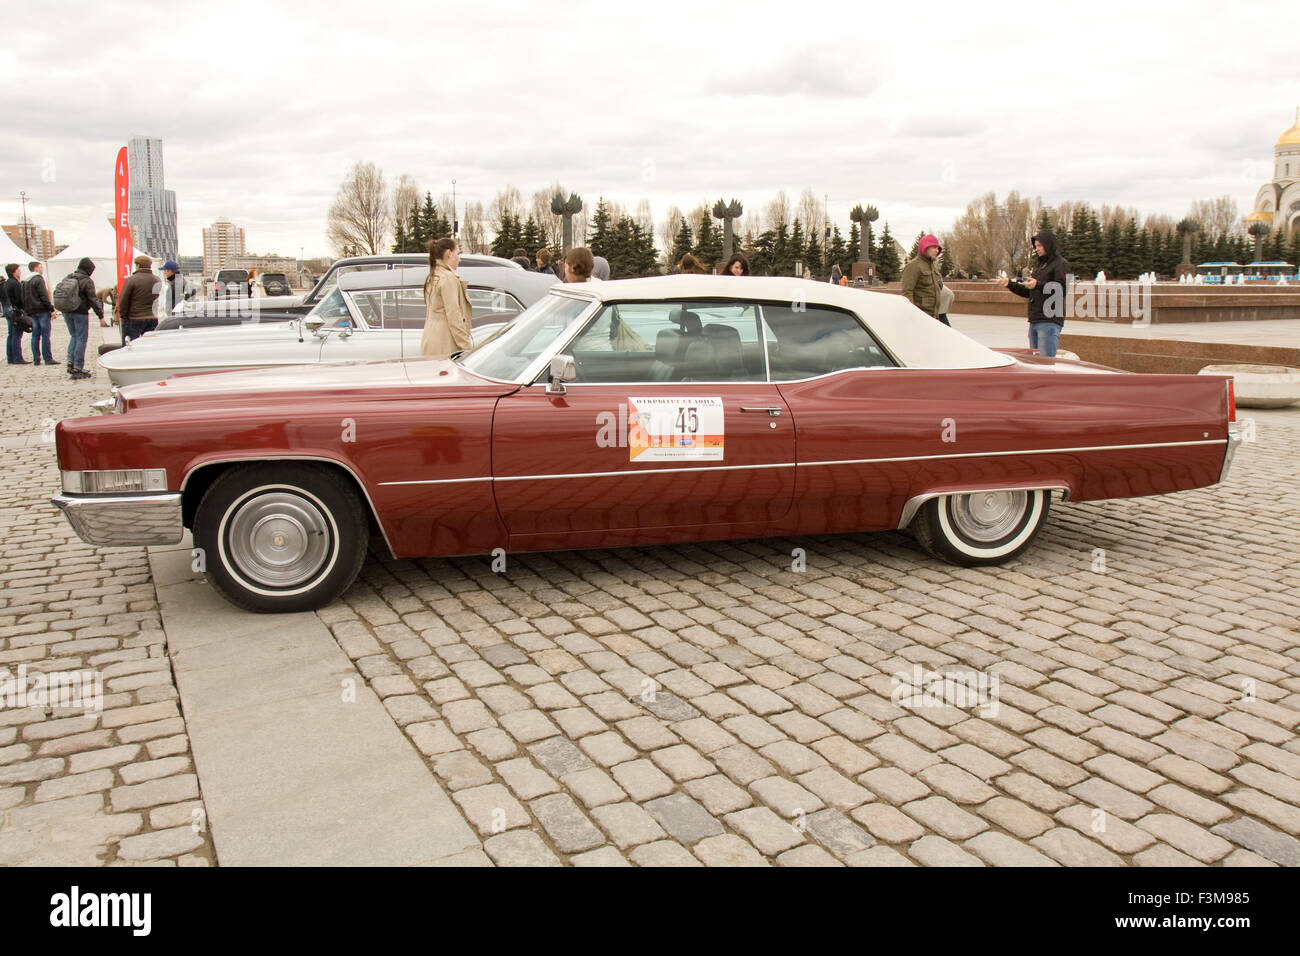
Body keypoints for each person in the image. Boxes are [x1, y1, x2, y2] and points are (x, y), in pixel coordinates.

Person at [997, 229, 1070, 357]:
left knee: (1045, 364)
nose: (1036, 249)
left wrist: (1038, 284)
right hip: (1035, 320)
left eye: (1039, 246)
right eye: (1035, 246)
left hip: (1049, 321)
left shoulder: (1062, 264)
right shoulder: (1039, 265)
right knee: (1035, 363)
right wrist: (1009, 284)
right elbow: (1029, 291)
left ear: (1049, 245)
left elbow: (1062, 290)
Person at [421, 237, 472, 358]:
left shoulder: (433, 275)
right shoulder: (448, 278)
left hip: (431, 339)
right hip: (445, 343)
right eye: (458, 254)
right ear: (449, 253)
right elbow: (454, 316)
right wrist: (467, 347)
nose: (459, 259)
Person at [53, 258, 103, 377]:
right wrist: (100, 315)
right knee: (81, 338)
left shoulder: (69, 277)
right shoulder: (87, 281)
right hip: (80, 312)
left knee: (74, 336)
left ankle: (70, 362)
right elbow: (93, 299)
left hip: (67, 310)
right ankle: (78, 367)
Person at [900, 234, 950, 325]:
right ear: (925, 248)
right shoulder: (914, 266)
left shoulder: (933, 266)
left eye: (938, 248)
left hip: (934, 316)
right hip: (921, 317)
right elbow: (907, 292)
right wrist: (912, 315)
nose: (937, 250)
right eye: (934, 247)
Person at [22, 261, 58, 371]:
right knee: (45, 335)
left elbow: (23, 297)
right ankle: (47, 358)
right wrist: (51, 309)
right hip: (41, 310)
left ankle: (36, 359)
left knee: (35, 335)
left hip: (31, 311)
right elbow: (44, 296)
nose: (42, 269)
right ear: (36, 268)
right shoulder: (38, 279)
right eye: (41, 267)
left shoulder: (25, 281)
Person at [118, 255, 160, 341]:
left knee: (130, 346)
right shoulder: (157, 280)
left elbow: (123, 300)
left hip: (134, 317)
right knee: (150, 345)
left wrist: (123, 315)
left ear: (138, 266)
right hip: (152, 318)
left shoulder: (131, 280)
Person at [3, 263, 28, 364]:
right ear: (14, 272)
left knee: (11, 334)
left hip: (8, 309)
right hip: (15, 310)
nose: (20, 271)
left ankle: (10, 357)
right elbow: (19, 299)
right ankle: (17, 357)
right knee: (17, 334)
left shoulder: (7, 282)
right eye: (18, 270)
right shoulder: (15, 283)